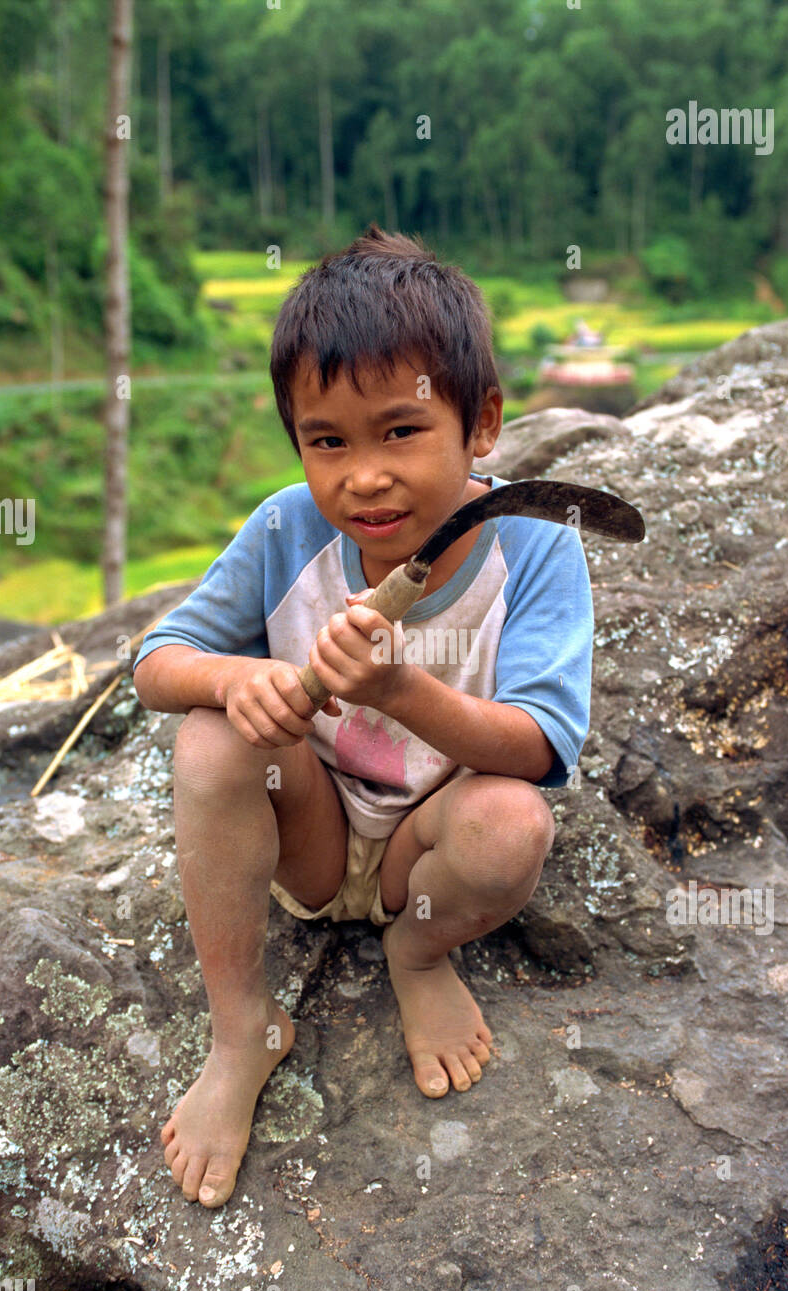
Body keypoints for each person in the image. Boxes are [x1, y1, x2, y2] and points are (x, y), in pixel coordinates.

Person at [132, 223, 593, 1209]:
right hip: (306, 828)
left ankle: (416, 952)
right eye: (325, 442)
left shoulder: (533, 544)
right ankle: (241, 1024)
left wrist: (397, 691)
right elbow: (154, 663)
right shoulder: (283, 529)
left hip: (421, 849)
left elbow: (539, 744)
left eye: (399, 431)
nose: (363, 475)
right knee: (215, 741)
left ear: (480, 424)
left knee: (511, 821)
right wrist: (229, 682)